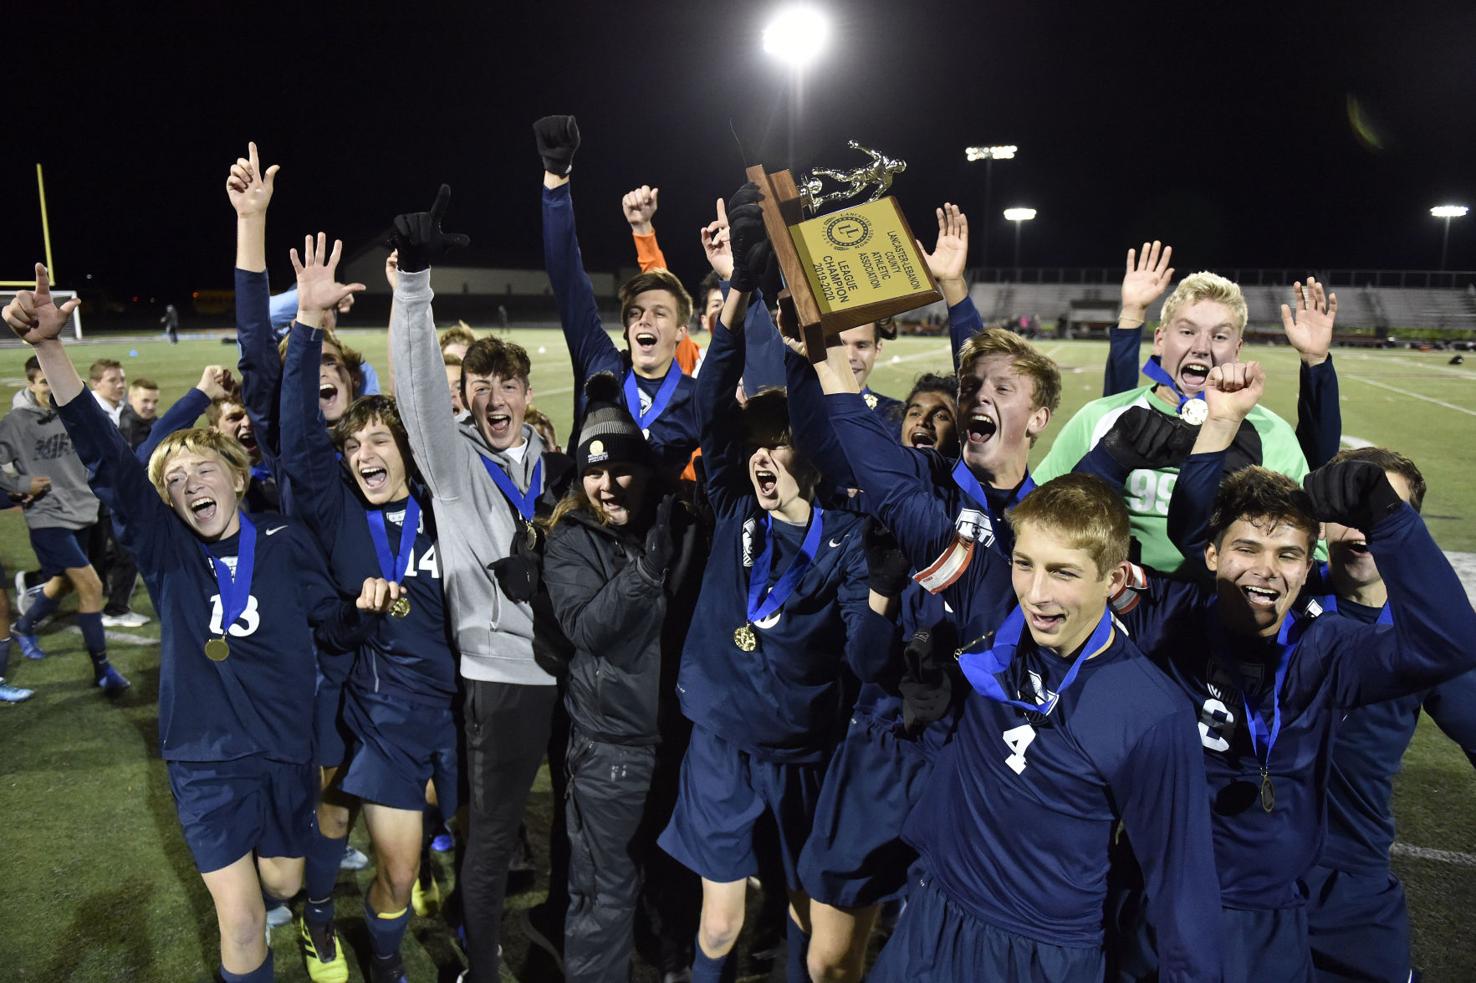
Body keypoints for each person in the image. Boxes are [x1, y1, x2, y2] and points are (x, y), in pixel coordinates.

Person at [3, 261, 397, 983]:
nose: (188, 483)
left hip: (284, 749)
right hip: (205, 762)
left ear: (239, 477)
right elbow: (110, 462)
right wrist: (54, 352)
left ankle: (300, 907)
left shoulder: (283, 542)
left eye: (201, 470)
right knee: (243, 919)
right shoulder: (168, 551)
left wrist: (363, 613)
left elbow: (330, 628)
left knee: (281, 882)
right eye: (176, 482)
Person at [802, 311, 1221, 981]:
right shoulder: (989, 584)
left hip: (1042, 945)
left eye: (1062, 572)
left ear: (1118, 580)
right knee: (832, 948)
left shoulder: (1152, 712)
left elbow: (1182, 891)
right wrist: (822, 344)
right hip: (935, 896)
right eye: (1025, 564)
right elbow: (871, 466)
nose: (1038, 592)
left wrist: (1206, 427)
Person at [1092, 363, 1476, 978]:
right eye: (1247, 549)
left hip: (1288, 903)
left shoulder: (1331, 646)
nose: (1266, 570)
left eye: (1287, 555)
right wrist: (1114, 461)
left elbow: (1450, 647)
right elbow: (1053, 559)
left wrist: (1389, 516)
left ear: (1305, 565)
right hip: (1157, 897)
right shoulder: (1174, 611)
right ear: (1214, 555)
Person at [657, 187, 898, 983]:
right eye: (754, 445)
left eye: (780, 444)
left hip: (802, 748)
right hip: (724, 742)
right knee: (720, 922)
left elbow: (864, 652)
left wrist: (879, 596)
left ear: (810, 453)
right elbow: (708, 401)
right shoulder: (731, 506)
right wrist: (738, 295)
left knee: (799, 901)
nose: (763, 457)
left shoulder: (847, 534)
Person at [387, 184, 575, 983]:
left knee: (574, 818)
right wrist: (414, 285)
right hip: (501, 677)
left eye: (508, 387)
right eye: (481, 388)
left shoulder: (554, 465)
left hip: (574, 667)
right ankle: (483, 963)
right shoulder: (455, 463)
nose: (493, 400)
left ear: (530, 396)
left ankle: (565, 923)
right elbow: (420, 387)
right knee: (493, 829)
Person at [279, 232, 460, 983]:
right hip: (375, 701)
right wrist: (308, 324)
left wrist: (410, 291)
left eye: (378, 442)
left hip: (456, 706)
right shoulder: (339, 509)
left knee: (439, 846)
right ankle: (355, 942)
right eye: (353, 450)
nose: (364, 458)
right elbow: (296, 438)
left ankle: (383, 919)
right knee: (375, 841)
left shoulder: (443, 501)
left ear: (406, 450)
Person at [541, 372, 702, 983]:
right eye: (593, 472)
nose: (607, 485)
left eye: (620, 470)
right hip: (612, 756)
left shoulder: (681, 527)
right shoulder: (570, 542)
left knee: (675, 890)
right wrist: (647, 570)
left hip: (681, 749)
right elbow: (588, 627)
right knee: (605, 899)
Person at [1295, 447, 1476, 982]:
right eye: (1348, 516)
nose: (1359, 533)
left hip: (1351, 872)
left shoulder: (1431, 643)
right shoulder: (1275, 594)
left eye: (1377, 515)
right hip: (1248, 860)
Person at [1033, 270, 1312, 572]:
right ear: (1160, 340)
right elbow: (1037, 516)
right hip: (1116, 598)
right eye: (1187, 332)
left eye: (1219, 336)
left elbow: (1307, 546)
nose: (1202, 347)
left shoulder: (1271, 433)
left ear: (1237, 350)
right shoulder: (1099, 416)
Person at [537, 115, 701, 477]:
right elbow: (568, 279)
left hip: (661, 532)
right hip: (587, 527)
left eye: (660, 313)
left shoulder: (697, 399)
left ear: (681, 331)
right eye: (635, 312)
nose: (644, 319)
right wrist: (556, 180)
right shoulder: (600, 364)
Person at [0, 353, 126, 691]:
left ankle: (24, 627)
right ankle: (103, 670)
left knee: (63, 583)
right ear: (29, 383)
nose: (50, 390)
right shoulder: (15, 423)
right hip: (47, 516)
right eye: (43, 383)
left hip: (83, 509)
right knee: (91, 586)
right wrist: (22, 485)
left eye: (53, 382)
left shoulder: (73, 413)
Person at [621, 182, 705, 376]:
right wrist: (642, 228)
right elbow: (657, 282)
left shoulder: (736, 367)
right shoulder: (691, 357)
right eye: (716, 305)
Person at [118, 377, 160, 449]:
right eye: (145, 401)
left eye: (155, 402)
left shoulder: (155, 422)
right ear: (130, 399)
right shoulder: (125, 428)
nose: (151, 407)